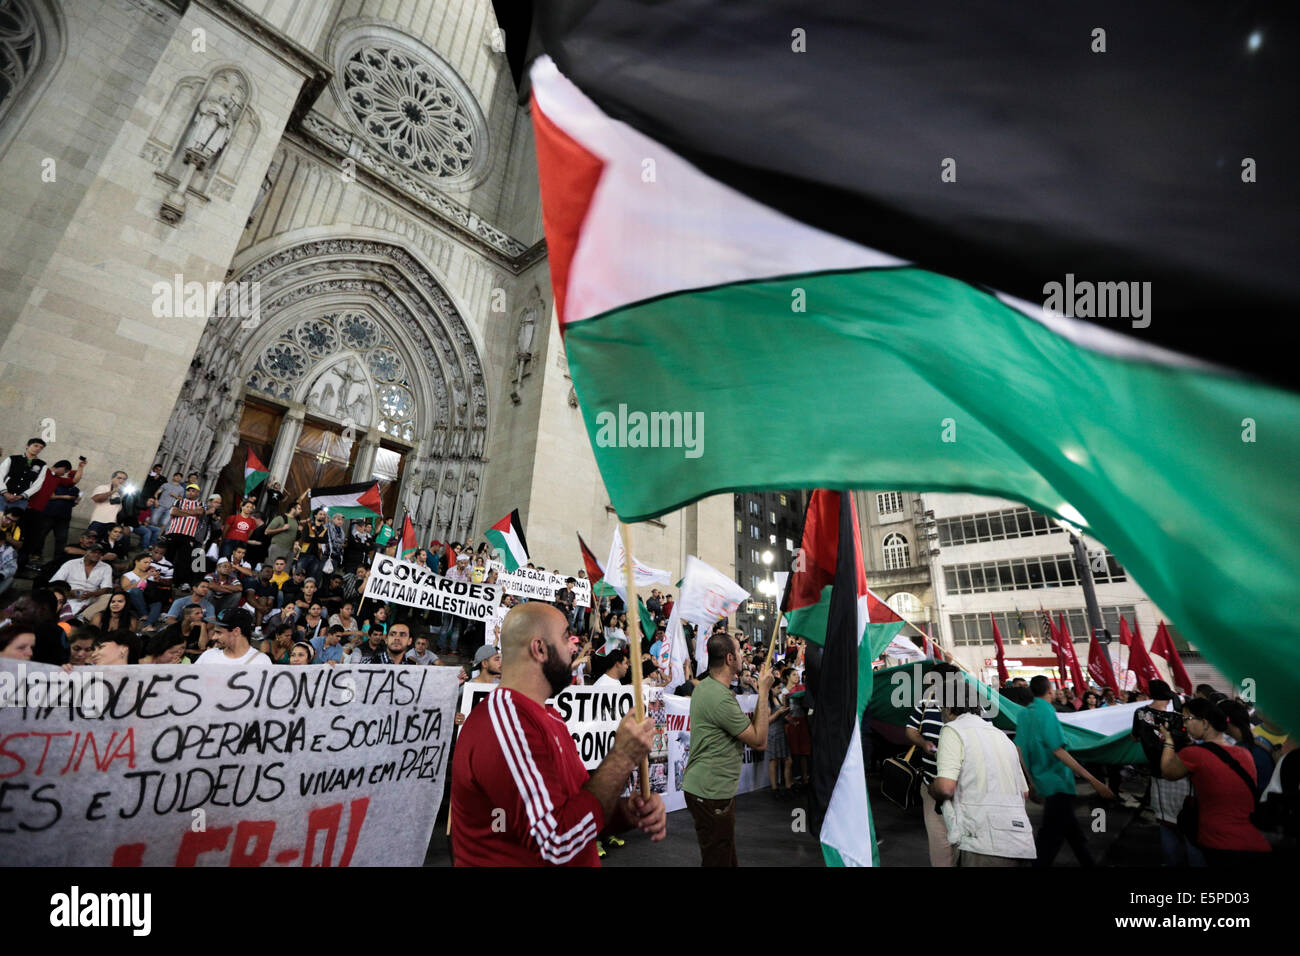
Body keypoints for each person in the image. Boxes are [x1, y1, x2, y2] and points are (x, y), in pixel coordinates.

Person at [451, 602, 666, 866]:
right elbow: (557, 840)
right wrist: (621, 758)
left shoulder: (549, 716)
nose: (574, 647)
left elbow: (574, 806)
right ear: (539, 648)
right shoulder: (504, 722)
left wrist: (627, 812)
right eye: (567, 637)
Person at [681, 632, 773, 867]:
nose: (743, 655)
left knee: (724, 857)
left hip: (708, 790)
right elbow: (760, 741)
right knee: (719, 860)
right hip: (711, 794)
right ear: (730, 658)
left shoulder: (706, 688)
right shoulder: (719, 698)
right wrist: (763, 692)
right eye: (740, 651)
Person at [1159, 697, 1270, 866]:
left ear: (1204, 723)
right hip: (1252, 840)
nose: (1185, 724)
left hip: (1218, 841)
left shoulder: (1194, 754)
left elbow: (1167, 771)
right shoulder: (1244, 753)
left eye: (1187, 719)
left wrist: (1168, 740)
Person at [1016, 674, 1114, 867]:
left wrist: (1031, 781)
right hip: (1058, 782)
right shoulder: (1047, 712)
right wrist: (1094, 781)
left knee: (1072, 833)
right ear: (1050, 691)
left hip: (1043, 782)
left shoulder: (1024, 714)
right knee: (1050, 839)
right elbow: (1058, 750)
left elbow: (1019, 749)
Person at [931, 699, 1036, 867]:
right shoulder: (1001, 735)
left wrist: (933, 788)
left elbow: (945, 788)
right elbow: (1024, 792)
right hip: (1020, 838)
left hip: (982, 842)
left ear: (949, 708)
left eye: (941, 709)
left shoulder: (953, 730)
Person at [1130, 679, 1201, 866]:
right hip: (1180, 772)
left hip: (1158, 774)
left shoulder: (1140, 713)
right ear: (1167, 696)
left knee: (1165, 823)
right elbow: (1187, 740)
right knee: (1189, 824)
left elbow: (1134, 737)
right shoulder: (1176, 717)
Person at [906, 662, 962, 866]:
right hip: (931, 786)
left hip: (964, 789)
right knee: (940, 845)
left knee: (966, 845)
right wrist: (923, 743)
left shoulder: (973, 707)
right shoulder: (925, 703)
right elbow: (911, 730)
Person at [49, 542, 115, 620]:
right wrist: (71, 593)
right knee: (54, 595)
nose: (97, 555)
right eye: (94, 552)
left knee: (109, 597)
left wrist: (92, 594)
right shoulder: (71, 564)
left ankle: (83, 616)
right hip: (68, 595)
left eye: (99, 553)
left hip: (91, 597)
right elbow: (55, 583)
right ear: (86, 552)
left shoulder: (106, 567)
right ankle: (70, 616)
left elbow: (106, 588)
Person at [195, 608, 271, 668]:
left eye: (219, 632)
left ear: (236, 631)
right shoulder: (208, 656)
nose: (213, 637)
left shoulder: (261, 662)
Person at [164, 483, 205, 590]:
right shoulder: (179, 501)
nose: (190, 492)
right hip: (174, 532)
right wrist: (192, 512)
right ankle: (164, 578)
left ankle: (178, 582)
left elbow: (199, 512)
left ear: (197, 493)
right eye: (189, 490)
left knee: (184, 560)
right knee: (169, 556)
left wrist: (181, 512)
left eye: (193, 491)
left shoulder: (200, 503)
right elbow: (173, 511)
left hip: (189, 535)